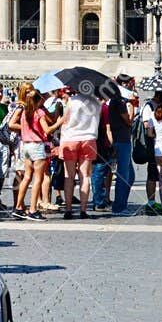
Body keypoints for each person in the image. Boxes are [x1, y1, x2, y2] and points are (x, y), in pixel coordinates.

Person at [49, 83, 101, 220]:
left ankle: (68, 209)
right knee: (85, 176)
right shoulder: (97, 102)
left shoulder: (72, 100)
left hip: (70, 139)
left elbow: (65, 120)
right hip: (89, 139)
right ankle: (83, 210)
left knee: (69, 176)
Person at [93, 77, 136, 215]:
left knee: (129, 175)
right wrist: (133, 108)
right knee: (124, 175)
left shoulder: (113, 103)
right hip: (122, 140)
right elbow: (129, 121)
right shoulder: (120, 102)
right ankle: (119, 207)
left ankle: (121, 203)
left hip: (119, 140)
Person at [7, 84, 50, 219]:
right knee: (38, 179)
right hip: (36, 145)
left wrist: (26, 130)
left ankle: (18, 207)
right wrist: (61, 121)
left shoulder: (25, 111)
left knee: (26, 177)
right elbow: (48, 130)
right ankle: (33, 209)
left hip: (25, 145)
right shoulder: (37, 112)